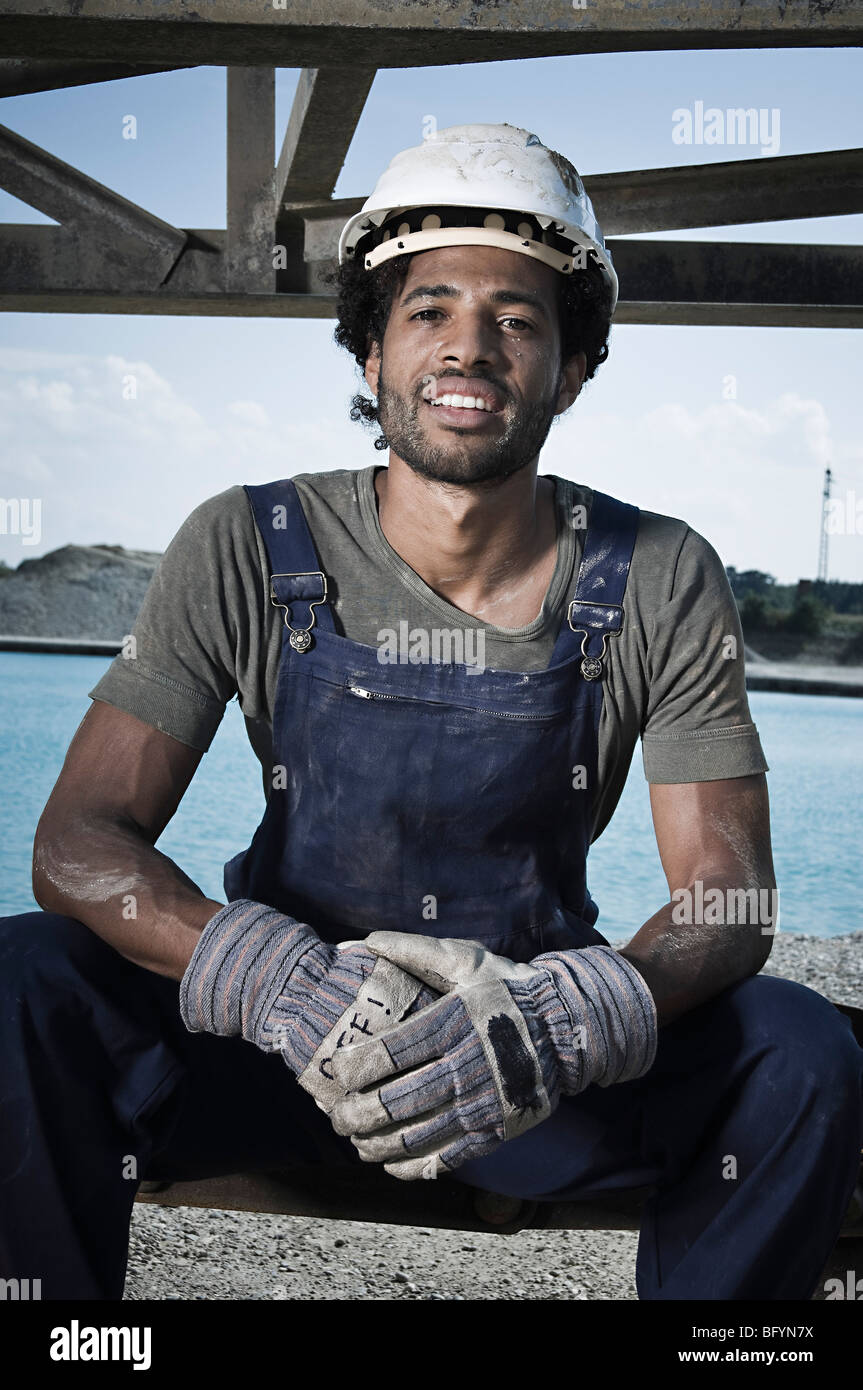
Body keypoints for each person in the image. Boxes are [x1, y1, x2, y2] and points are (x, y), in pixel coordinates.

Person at [2, 124, 860, 1301]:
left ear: (569, 368)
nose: (469, 349)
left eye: (515, 319)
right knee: (22, 979)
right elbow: (76, 842)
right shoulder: (245, 542)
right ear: (369, 353)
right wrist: (272, 981)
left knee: (797, 1049)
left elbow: (728, 893)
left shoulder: (656, 571)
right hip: (273, 1060)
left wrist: (570, 1016)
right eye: (427, 310)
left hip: (529, 1079)